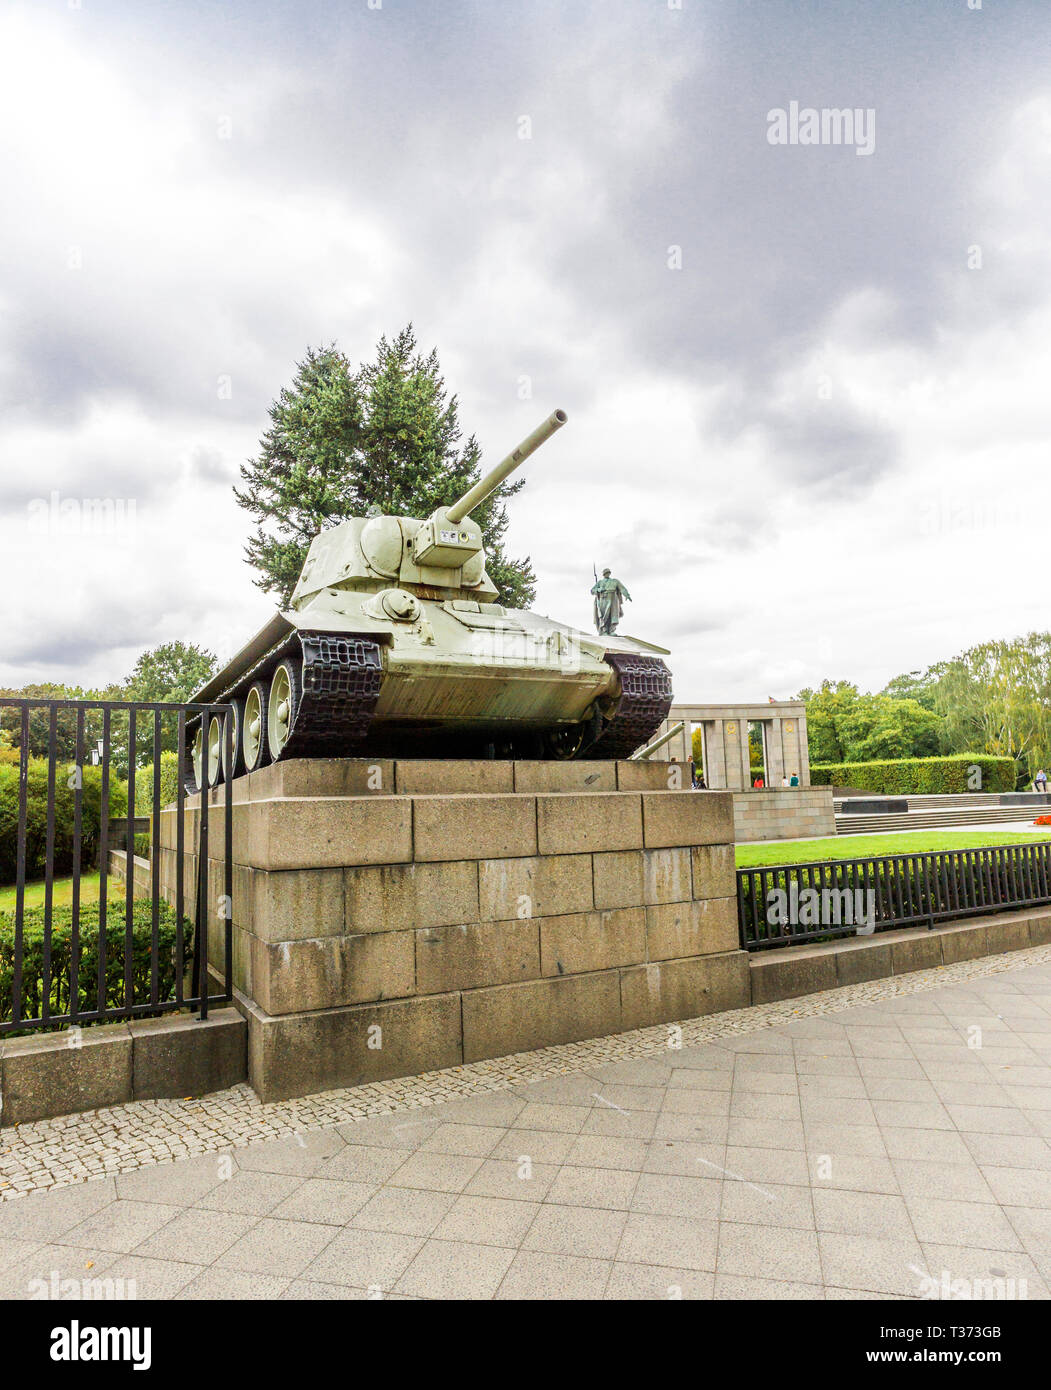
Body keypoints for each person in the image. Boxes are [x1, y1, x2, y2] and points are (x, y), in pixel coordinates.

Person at [591, 568, 632, 635]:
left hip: (613, 598)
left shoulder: (615, 581)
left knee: (613, 615)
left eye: (608, 572)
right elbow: (592, 591)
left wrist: (627, 595)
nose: (607, 574)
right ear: (603, 574)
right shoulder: (600, 582)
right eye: (606, 573)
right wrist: (598, 589)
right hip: (603, 598)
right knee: (603, 615)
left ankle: (611, 630)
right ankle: (604, 630)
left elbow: (622, 588)